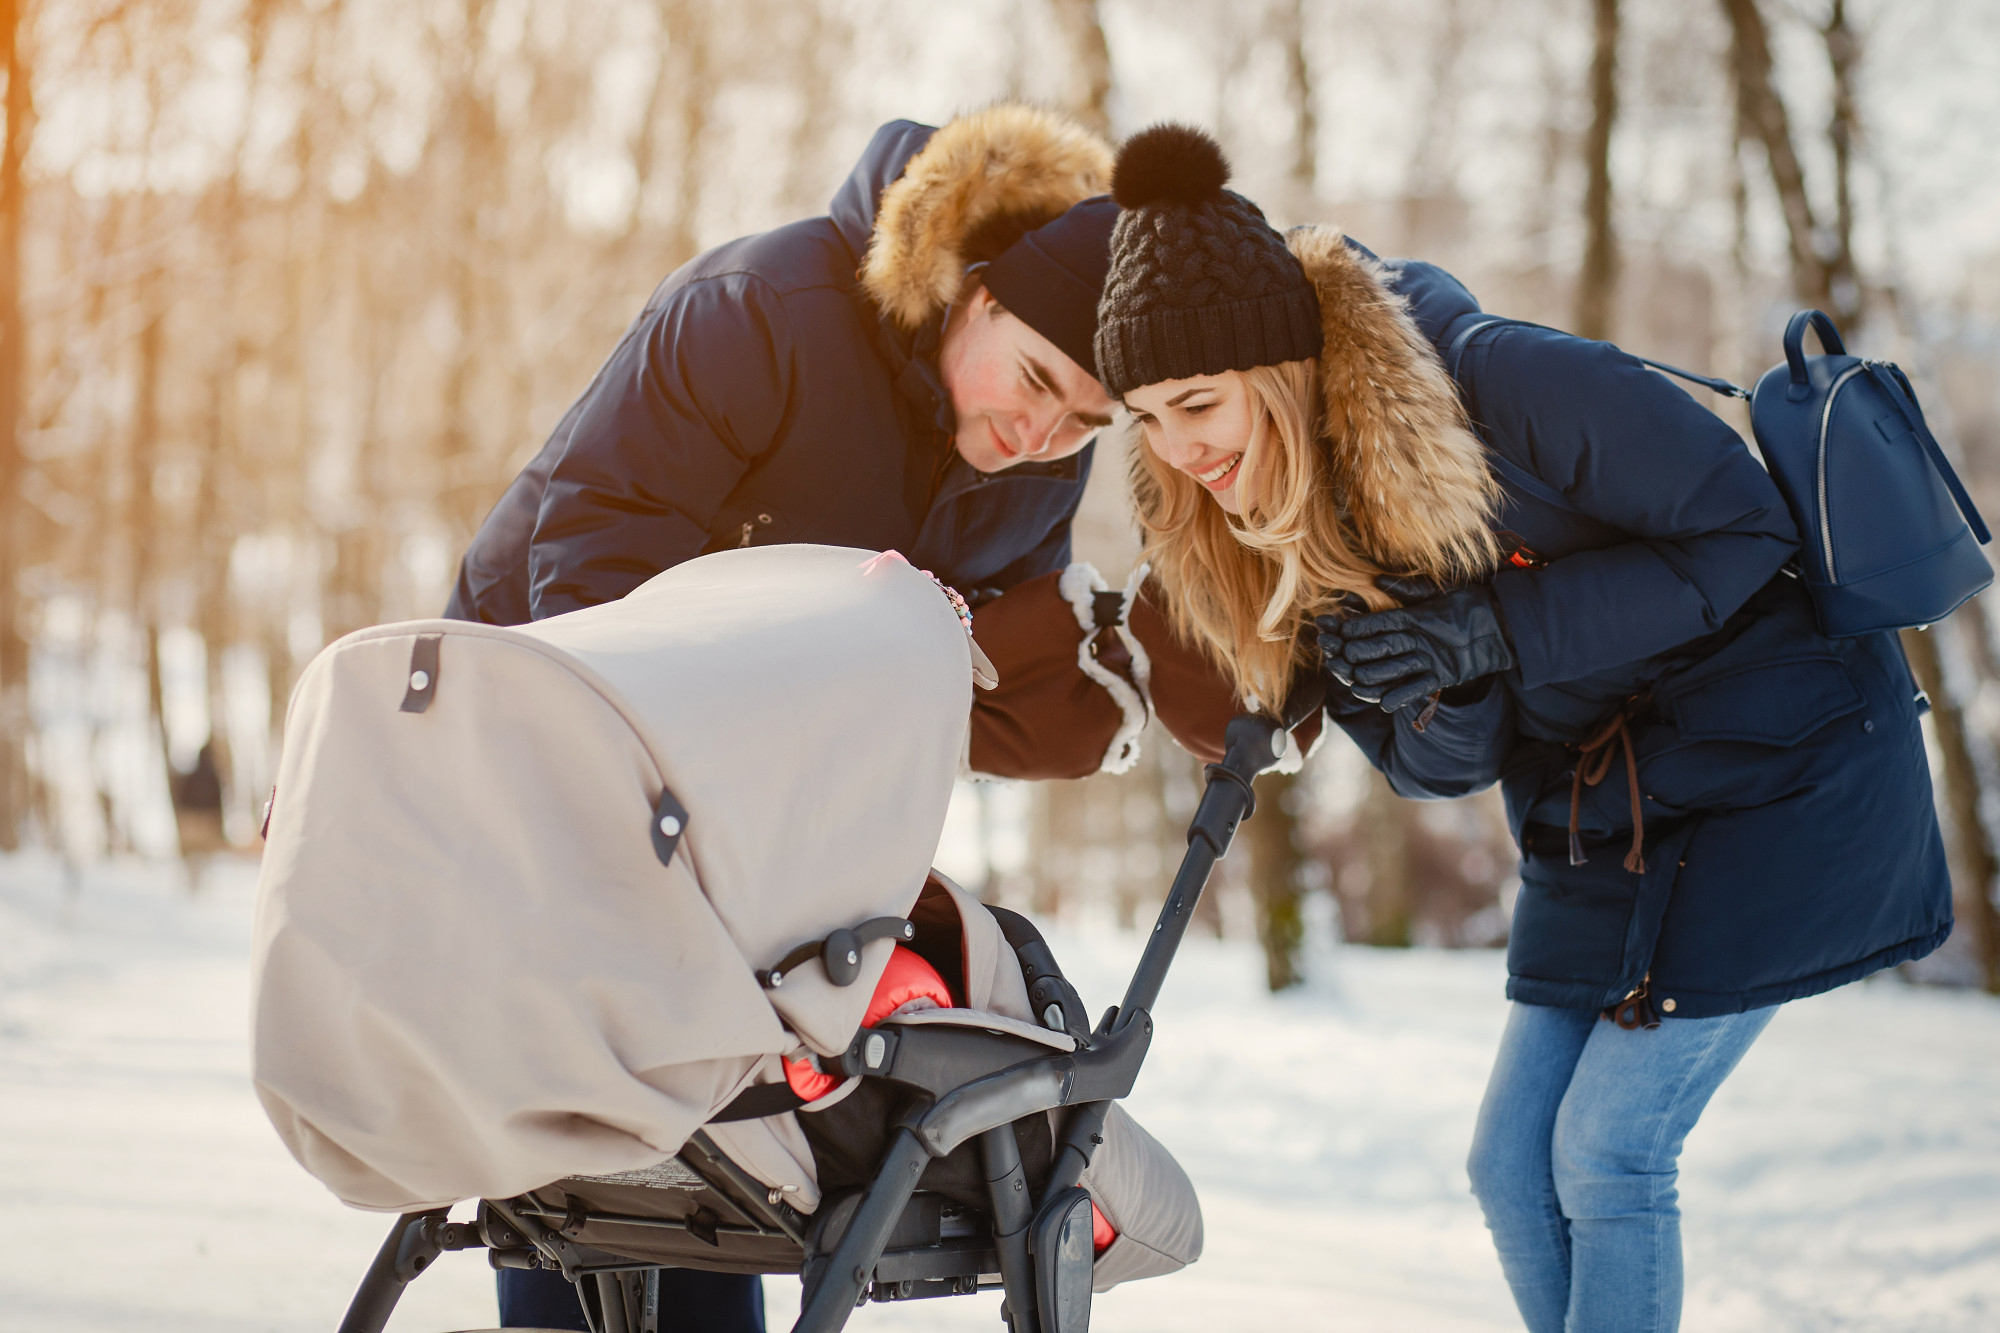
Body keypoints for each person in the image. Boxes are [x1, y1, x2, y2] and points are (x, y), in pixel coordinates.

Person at [1090, 124, 1951, 1333]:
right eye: (1146, 419)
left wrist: (1492, 624)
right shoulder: (1261, 525)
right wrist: (1442, 677)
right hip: (1607, 803)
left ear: (1279, 365)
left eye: (1196, 402)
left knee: (1607, 1150)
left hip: (1783, 756)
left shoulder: (1501, 381)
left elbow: (1745, 536)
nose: (1181, 450)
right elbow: (1438, 766)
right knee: (1509, 1165)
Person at [442, 103, 1126, 1331]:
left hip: (763, 827)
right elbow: (588, 560)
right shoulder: (765, 314)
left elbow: (958, 675)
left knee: (725, 1140)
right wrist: (701, 815)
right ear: (968, 293)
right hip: (552, 713)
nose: (1041, 433)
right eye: (1032, 381)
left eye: (1082, 419)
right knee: (575, 1143)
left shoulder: (1037, 471)